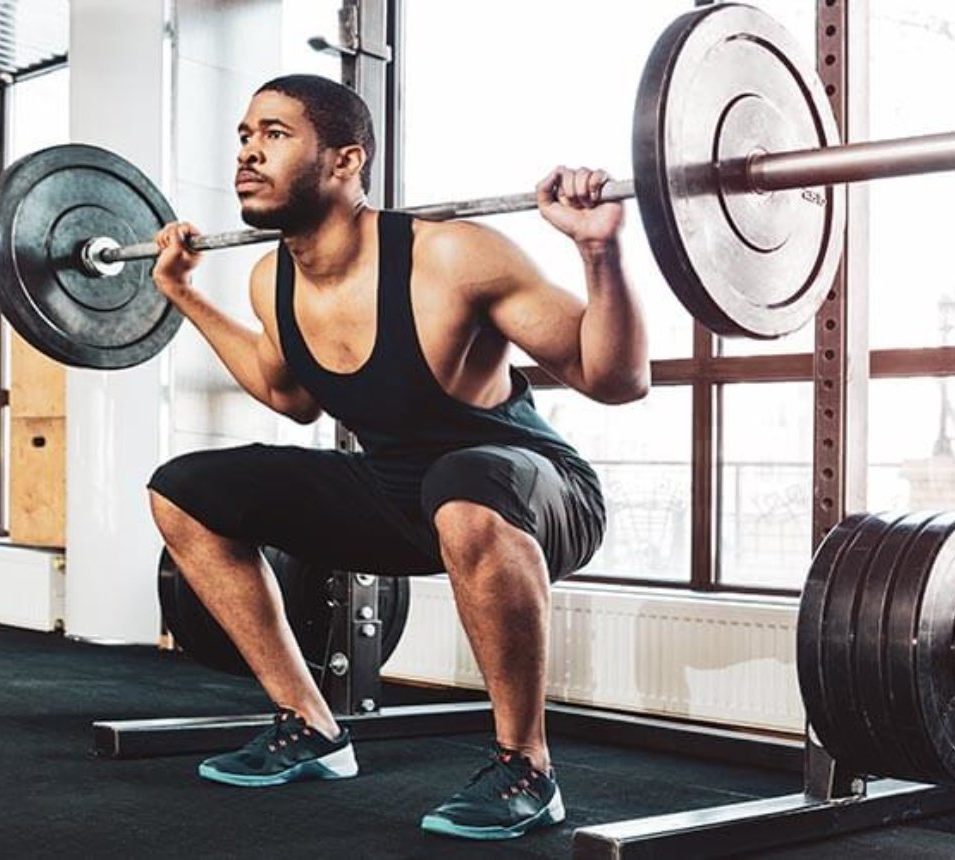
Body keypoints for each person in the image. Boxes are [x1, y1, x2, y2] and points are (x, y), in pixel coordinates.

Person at [145, 74, 648, 841]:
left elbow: (614, 379)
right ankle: (309, 724)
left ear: (346, 162)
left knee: (466, 481)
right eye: (245, 136)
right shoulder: (269, 278)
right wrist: (183, 294)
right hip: (401, 499)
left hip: (536, 496)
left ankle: (528, 769)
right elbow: (290, 398)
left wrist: (598, 251)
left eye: (275, 134)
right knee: (184, 488)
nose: (248, 152)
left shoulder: (452, 257)